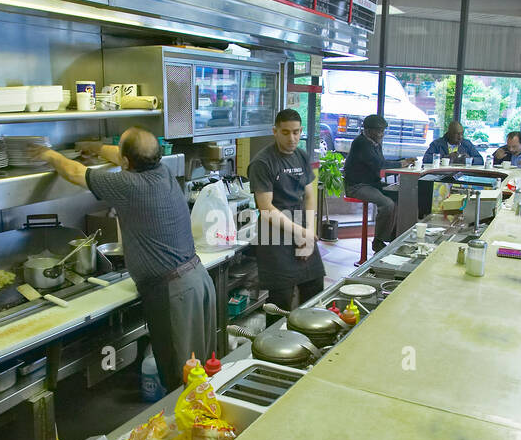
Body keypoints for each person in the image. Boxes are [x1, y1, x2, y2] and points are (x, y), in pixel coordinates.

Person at [31, 128, 215, 391]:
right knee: (198, 374)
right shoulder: (162, 172)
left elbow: (73, 173)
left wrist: (48, 153)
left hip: (173, 293)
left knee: (181, 380)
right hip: (196, 280)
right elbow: (119, 158)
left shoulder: (129, 185)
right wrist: (93, 147)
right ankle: (201, 425)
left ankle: (188, 428)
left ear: (128, 162)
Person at [248, 109, 325, 311]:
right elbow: (266, 208)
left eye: (296, 132)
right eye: (286, 132)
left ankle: (310, 340)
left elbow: (309, 196)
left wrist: (308, 232)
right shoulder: (262, 162)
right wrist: (302, 233)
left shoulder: (301, 155)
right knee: (280, 301)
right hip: (274, 233)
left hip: (300, 223)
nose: (292, 138)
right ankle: (276, 340)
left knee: (315, 290)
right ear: (275, 131)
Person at [344, 113, 417, 252]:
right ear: (367, 130)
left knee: (401, 196)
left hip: (372, 183)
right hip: (357, 186)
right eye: (379, 131)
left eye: (383, 131)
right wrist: (402, 163)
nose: (381, 134)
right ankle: (378, 241)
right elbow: (379, 164)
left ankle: (393, 237)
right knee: (387, 204)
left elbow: (382, 163)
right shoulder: (361, 143)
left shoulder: (374, 143)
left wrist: (402, 162)